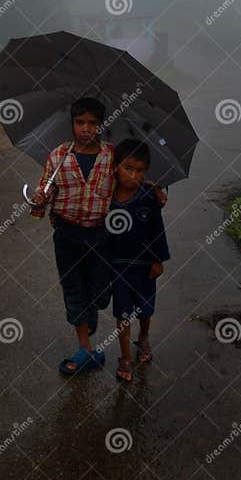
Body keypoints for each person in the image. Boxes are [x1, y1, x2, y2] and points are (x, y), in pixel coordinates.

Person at [30, 96, 168, 375]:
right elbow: (44, 192)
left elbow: (130, 181)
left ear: (101, 125)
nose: (86, 128)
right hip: (67, 234)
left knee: (101, 293)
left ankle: (89, 313)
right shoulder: (58, 156)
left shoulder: (110, 156)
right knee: (73, 289)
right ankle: (86, 348)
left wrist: (152, 188)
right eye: (80, 122)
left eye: (93, 123)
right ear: (72, 124)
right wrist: (39, 198)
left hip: (100, 236)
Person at [107, 138, 170, 383]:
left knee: (144, 309)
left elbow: (157, 230)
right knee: (122, 314)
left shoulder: (148, 196)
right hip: (118, 266)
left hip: (144, 265)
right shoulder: (107, 195)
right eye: (128, 168)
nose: (134, 176)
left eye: (140, 170)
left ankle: (143, 337)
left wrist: (158, 260)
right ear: (116, 167)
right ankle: (124, 357)